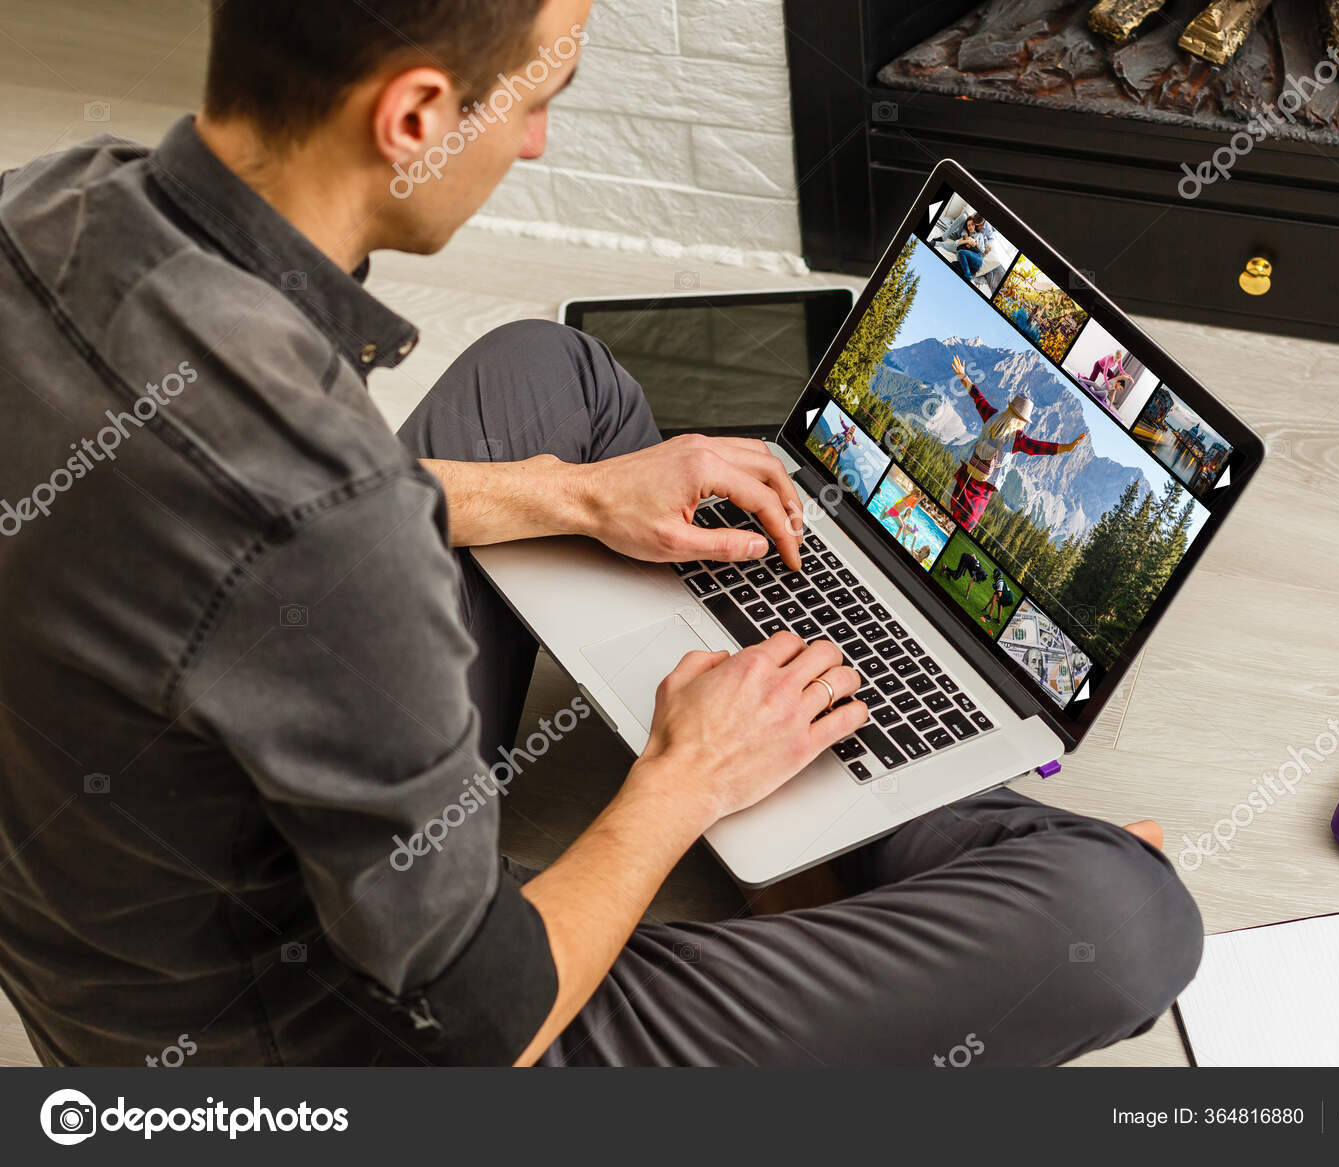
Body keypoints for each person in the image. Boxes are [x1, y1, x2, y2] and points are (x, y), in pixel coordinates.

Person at [0, 0, 1201, 1067]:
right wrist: (683, 780)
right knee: (1119, 922)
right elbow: (488, 1020)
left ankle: (830, 824)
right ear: (418, 115)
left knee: (547, 371)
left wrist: (575, 498)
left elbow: (229, 514)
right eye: (539, 98)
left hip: (125, 909)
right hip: (324, 1039)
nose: (535, 143)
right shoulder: (327, 519)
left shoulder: (49, 204)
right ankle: (885, 840)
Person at [940, 355, 1087, 531]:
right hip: (981, 491)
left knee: (941, 510)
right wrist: (1068, 447)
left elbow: (977, 396)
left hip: (966, 473)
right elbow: (1041, 448)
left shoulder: (991, 416)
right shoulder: (1018, 439)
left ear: (1010, 408)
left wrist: (963, 376)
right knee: (960, 528)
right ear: (1022, 420)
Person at [952, 213, 993, 282]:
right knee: (953, 264)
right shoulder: (965, 236)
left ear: (975, 225)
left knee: (961, 252)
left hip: (977, 259)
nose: (971, 227)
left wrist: (975, 244)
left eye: (973, 224)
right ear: (967, 227)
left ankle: (968, 276)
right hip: (969, 264)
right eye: (969, 225)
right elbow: (955, 243)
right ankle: (969, 273)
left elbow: (982, 250)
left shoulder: (979, 235)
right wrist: (967, 241)